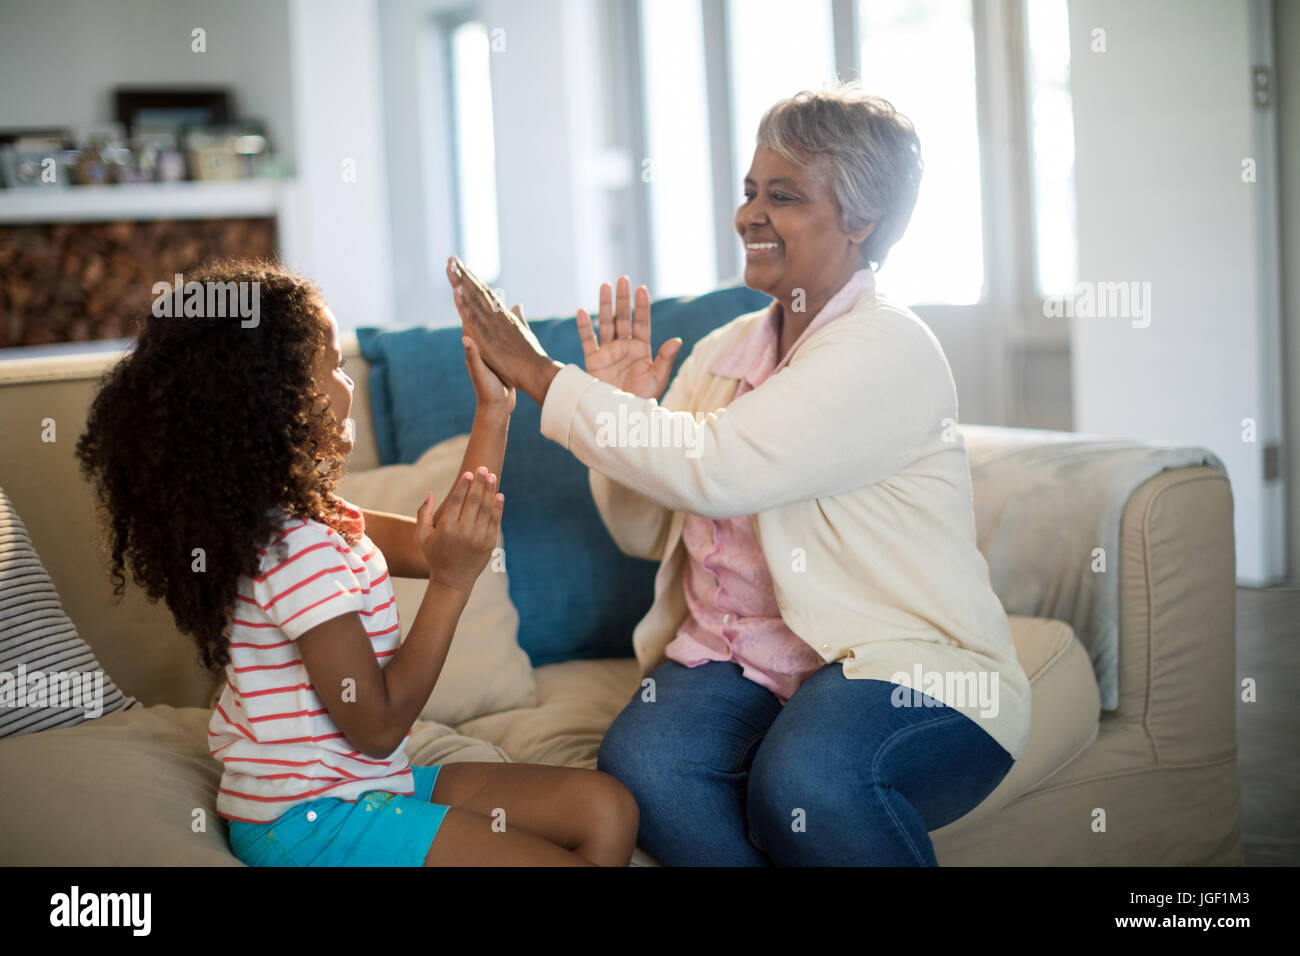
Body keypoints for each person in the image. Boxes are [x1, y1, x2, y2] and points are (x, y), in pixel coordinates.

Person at [447, 80, 1031, 866]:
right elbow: (643, 526)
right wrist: (624, 407)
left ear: (862, 221)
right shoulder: (724, 352)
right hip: (738, 662)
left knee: (809, 778)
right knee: (645, 772)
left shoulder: (885, 347)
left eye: (783, 196)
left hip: (899, 662)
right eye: (751, 190)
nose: (750, 213)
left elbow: (717, 469)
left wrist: (543, 374)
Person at [76, 259, 638, 866]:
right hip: (311, 822)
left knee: (606, 809)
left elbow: (436, 542)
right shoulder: (293, 552)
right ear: (280, 399)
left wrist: (494, 411)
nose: (348, 385)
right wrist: (452, 584)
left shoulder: (311, 518)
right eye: (336, 365)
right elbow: (376, 725)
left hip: (359, 788)